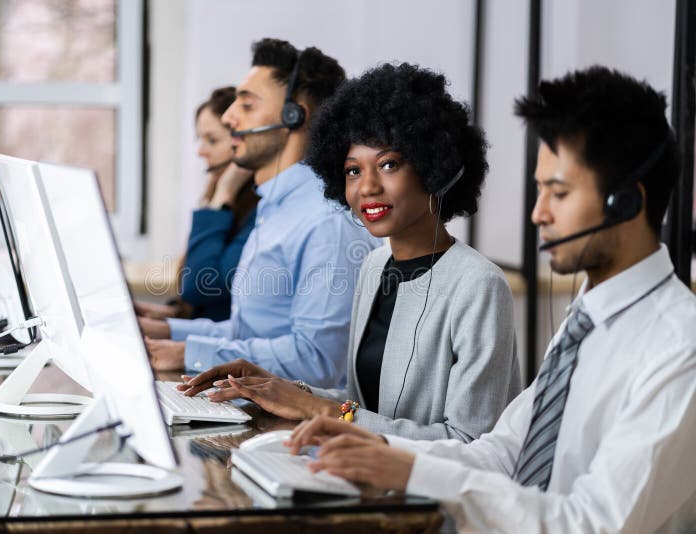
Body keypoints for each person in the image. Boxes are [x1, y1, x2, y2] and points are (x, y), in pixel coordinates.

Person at [286, 66, 696, 533]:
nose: (538, 213)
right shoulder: (586, 320)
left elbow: (595, 524)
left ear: (625, 203)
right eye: (540, 190)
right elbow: (499, 452)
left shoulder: (679, 348)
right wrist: (377, 450)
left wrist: (410, 469)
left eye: (558, 193)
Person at [179, 64, 521, 442]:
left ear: (431, 166)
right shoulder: (375, 266)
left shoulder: (478, 285)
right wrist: (281, 390)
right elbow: (360, 409)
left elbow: (471, 444)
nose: (368, 187)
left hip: (428, 495)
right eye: (353, 171)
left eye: (388, 164)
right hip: (363, 475)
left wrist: (320, 409)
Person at [140, 38, 379, 388]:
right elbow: (249, 331)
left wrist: (188, 353)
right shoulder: (275, 208)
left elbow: (317, 359)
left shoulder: (327, 223)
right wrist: (169, 334)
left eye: (247, 105)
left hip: (293, 430)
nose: (228, 117)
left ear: (294, 116)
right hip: (253, 402)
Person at [136, 86, 259, 322]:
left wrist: (224, 194)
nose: (201, 151)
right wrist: (169, 314)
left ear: (241, 141)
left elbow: (201, 284)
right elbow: (196, 293)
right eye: (199, 139)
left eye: (212, 140)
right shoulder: (220, 200)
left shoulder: (259, 212)